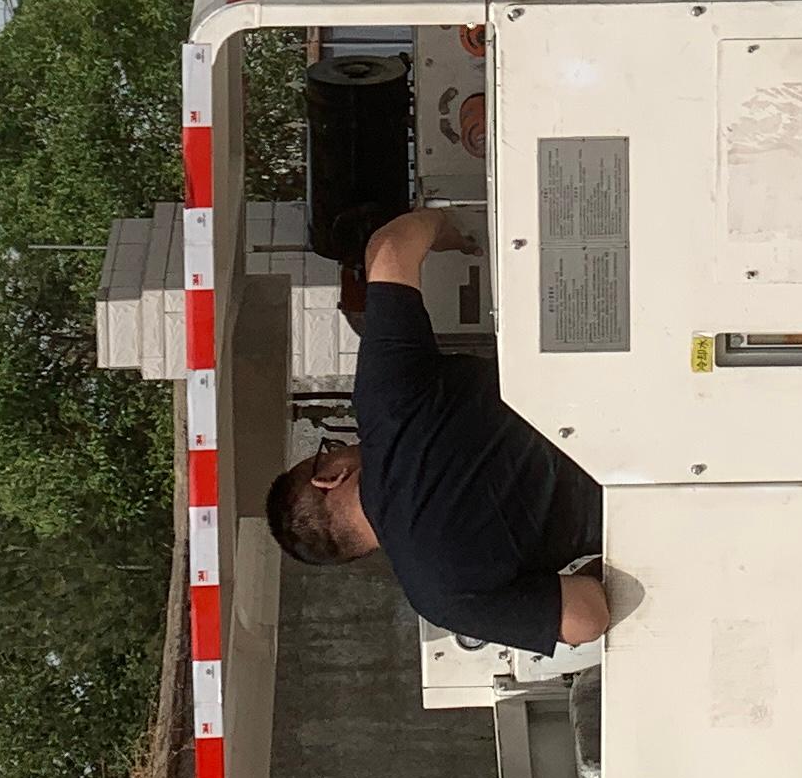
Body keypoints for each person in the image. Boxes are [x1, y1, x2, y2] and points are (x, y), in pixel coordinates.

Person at [263, 206, 613, 653]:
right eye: (329, 450)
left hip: (646, 487)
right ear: (329, 477)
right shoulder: (385, 404)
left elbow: (587, 618)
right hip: (618, 386)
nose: (346, 445)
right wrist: (453, 231)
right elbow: (389, 248)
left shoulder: (437, 594)